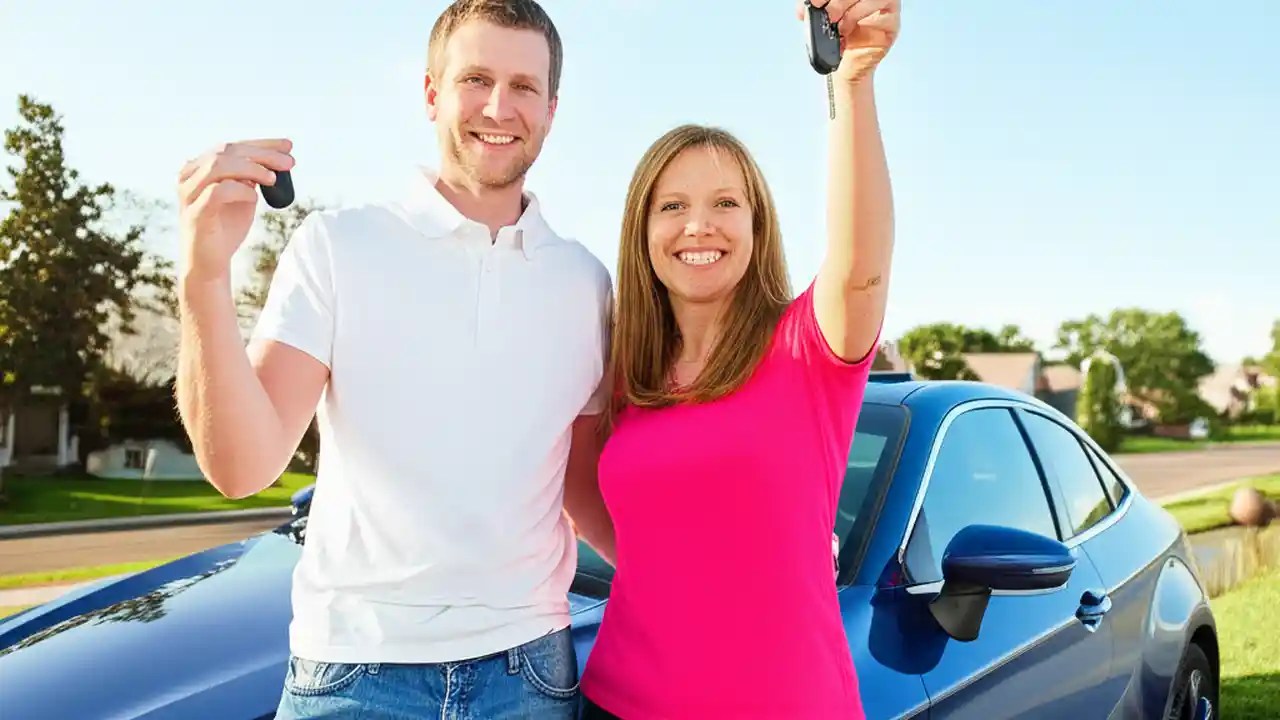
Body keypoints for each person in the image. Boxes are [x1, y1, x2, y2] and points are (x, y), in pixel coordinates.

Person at [173, 1, 615, 717]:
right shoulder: (338, 246)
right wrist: (204, 275)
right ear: (432, 92)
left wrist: (727, 582)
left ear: (552, 108)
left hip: (530, 673)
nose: (499, 107)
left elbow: (582, 486)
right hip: (353, 674)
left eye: (524, 86)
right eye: (476, 79)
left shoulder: (586, 283)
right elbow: (240, 467)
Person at [578, 1, 901, 718]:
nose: (699, 225)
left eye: (726, 203)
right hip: (615, 701)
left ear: (758, 226)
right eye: (672, 206)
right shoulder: (625, 369)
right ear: (643, 230)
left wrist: (851, 83)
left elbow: (861, 269)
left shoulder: (808, 348)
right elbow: (583, 494)